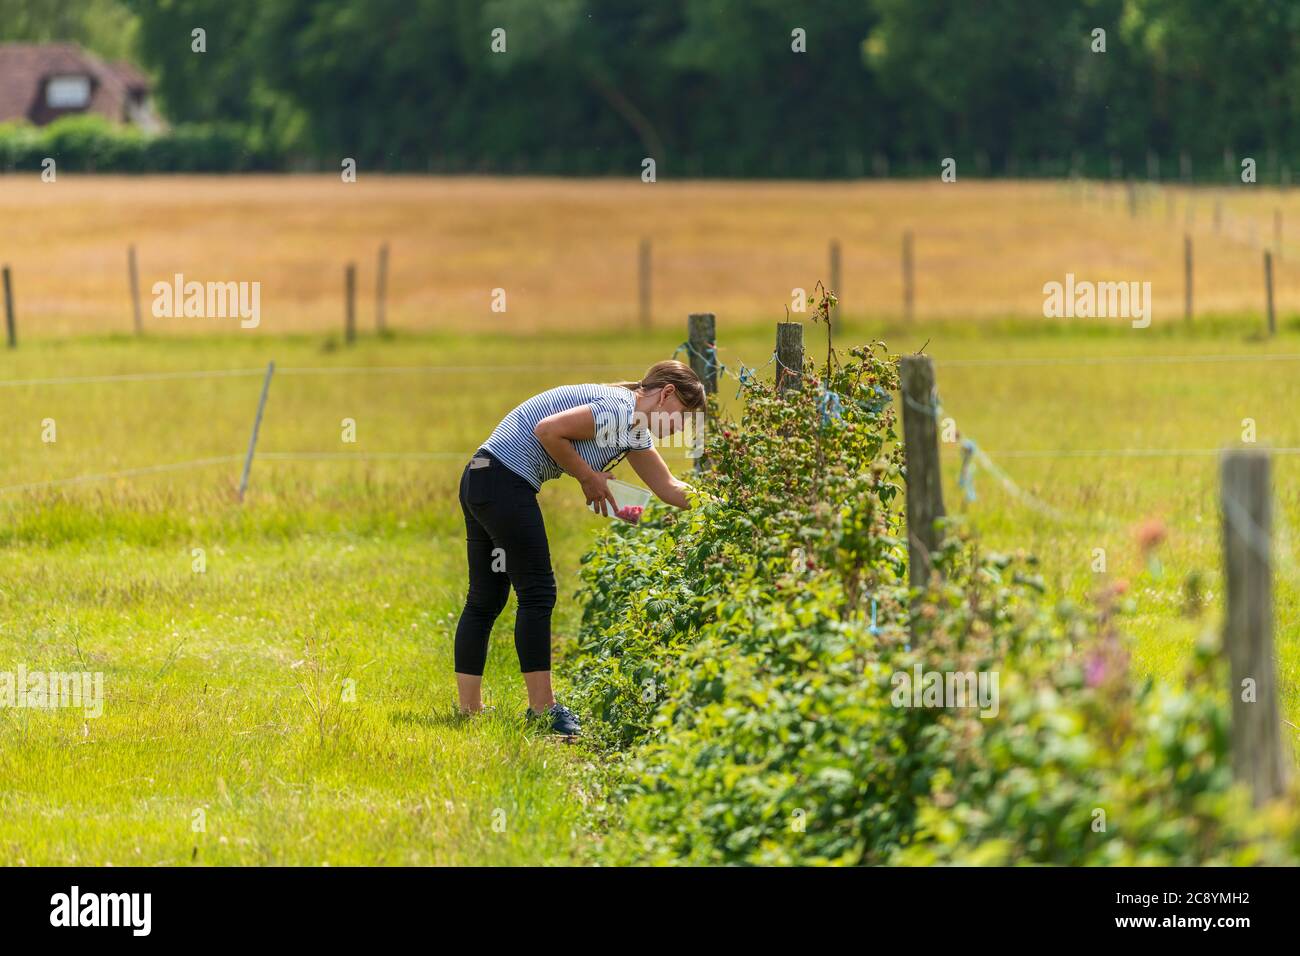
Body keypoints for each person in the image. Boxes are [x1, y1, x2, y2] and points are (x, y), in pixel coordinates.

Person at [454, 359, 707, 736]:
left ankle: (469, 711)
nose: (683, 428)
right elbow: (548, 431)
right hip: (503, 481)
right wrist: (588, 476)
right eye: (684, 417)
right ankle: (543, 710)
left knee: (486, 599)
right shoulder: (621, 410)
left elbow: (668, 488)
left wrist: (726, 504)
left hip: (481, 476)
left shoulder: (633, 428)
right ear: (667, 394)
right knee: (538, 592)